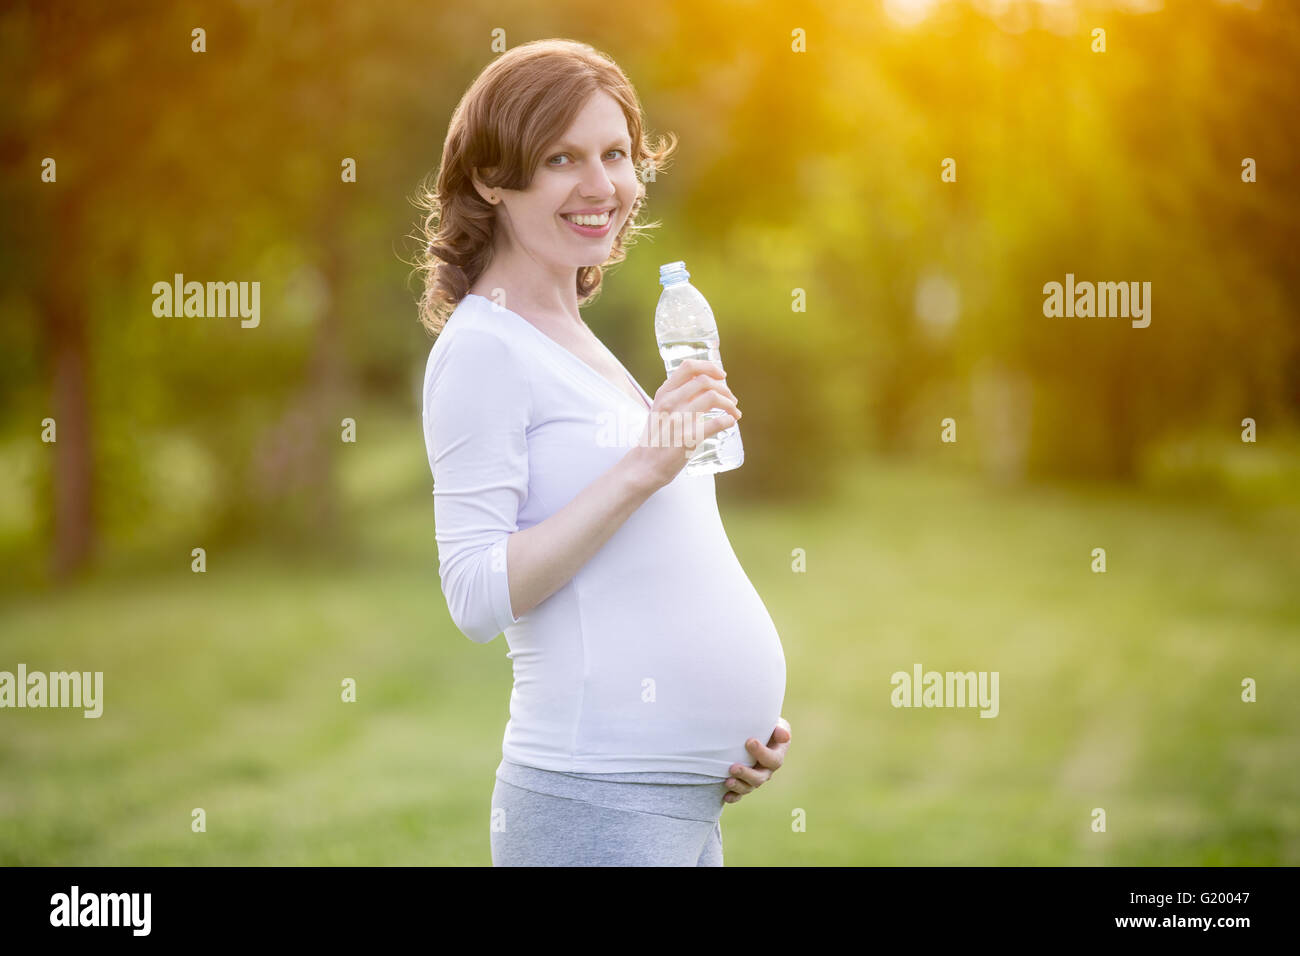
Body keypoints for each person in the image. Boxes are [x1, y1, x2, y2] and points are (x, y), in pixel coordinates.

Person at [413, 38, 790, 866]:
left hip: (677, 804)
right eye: (561, 158)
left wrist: (727, 732)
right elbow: (474, 595)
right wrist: (643, 468)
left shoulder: (577, 342)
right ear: (490, 178)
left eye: (616, 154)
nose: (602, 186)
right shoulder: (484, 349)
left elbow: (656, 569)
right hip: (596, 807)